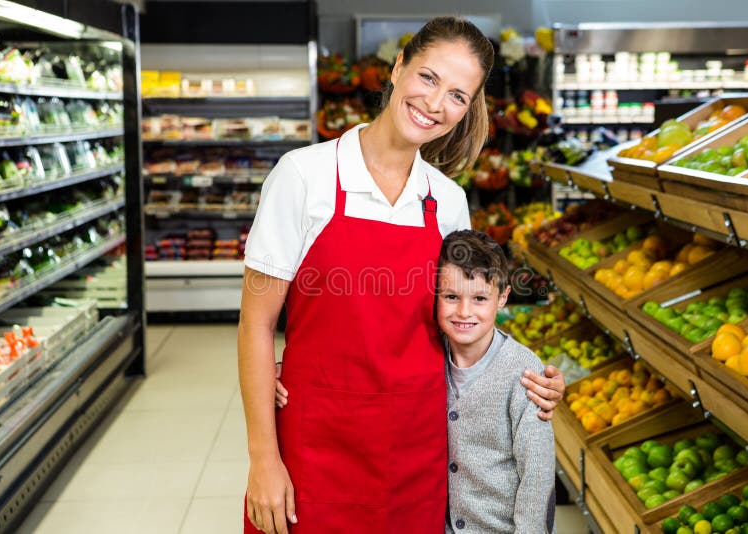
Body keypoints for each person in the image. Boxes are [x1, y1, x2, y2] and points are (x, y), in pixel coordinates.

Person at [238, 16, 565, 534]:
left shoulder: (449, 203)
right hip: (316, 441)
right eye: (429, 78)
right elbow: (255, 325)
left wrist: (524, 378)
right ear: (397, 68)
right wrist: (263, 458)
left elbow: (466, 320)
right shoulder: (303, 176)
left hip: (416, 450)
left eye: (458, 96)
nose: (436, 105)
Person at [437, 230, 555, 533]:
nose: (464, 312)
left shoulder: (523, 371)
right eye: (451, 297)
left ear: (502, 297)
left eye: (479, 298)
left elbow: (537, 473)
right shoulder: (429, 358)